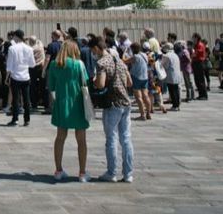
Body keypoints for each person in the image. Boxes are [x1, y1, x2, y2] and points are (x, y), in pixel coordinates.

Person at [90, 38, 133, 183]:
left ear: (96, 48)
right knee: (126, 139)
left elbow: (101, 84)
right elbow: (129, 82)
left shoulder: (102, 63)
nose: (92, 53)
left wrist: (94, 81)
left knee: (111, 139)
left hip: (112, 104)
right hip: (126, 102)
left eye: (92, 50)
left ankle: (111, 172)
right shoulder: (118, 60)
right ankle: (128, 174)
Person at [48, 39, 90, 182]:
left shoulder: (54, 65)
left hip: (61, 103)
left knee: (60, 137)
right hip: (78, 104)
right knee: (81, 139)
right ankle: (82, 173)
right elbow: (85, 82)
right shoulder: (79, 64)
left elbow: (51, 87)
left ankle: (58, 170)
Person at [6, 29, 35, 127]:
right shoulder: (29, 49)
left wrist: (7, 77)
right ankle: (27, 119)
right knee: (26, 99)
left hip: (15, 76)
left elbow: (9, 65)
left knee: (15, 99)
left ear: (16, 37)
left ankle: (15, 119)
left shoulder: (12, 48)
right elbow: (32, 64)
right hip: (26, 76)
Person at [129, 43, 152, 120]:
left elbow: (125, 61)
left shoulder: (135, 57)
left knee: (139, 97)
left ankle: (142, 115)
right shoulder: (144, 55)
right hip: (145, 77)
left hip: (136, 77)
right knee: (145, 96)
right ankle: (148, 113)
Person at [160, 42, 183, 111]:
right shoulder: (175, 55)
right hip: (177, 74)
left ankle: (175, 105)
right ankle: (177, 105)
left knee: (172, 90)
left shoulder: (166, 56)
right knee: (176, 90)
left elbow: (164, 65)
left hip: (171, 75)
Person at [190, 33, 209, 100]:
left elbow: (195, 54)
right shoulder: (195, 45)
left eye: (193, 38)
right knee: (197, 79)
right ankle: (200, 94)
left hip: (199, 63)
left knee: (200, 79)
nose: (193, 39)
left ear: (196, 38)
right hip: (195, 63)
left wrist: (192, 53)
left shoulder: (200, 45)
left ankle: (204, 95)